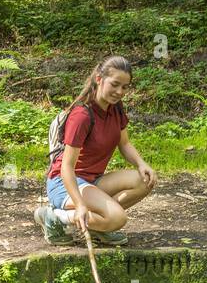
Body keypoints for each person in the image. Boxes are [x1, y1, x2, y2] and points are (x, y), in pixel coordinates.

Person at [34, 55, 157, 246]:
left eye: (124, 87)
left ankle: (98, 225)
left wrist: (142, 164)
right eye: (114, 84)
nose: (119, 92)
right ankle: (56, 217)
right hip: (65, 183)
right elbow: (66, 166)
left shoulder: (115, 108)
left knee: (144, 180)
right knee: (118, 219)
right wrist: (81, 204)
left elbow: (124, 144)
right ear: (99, 79)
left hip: (93, 181)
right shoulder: (82, 115)